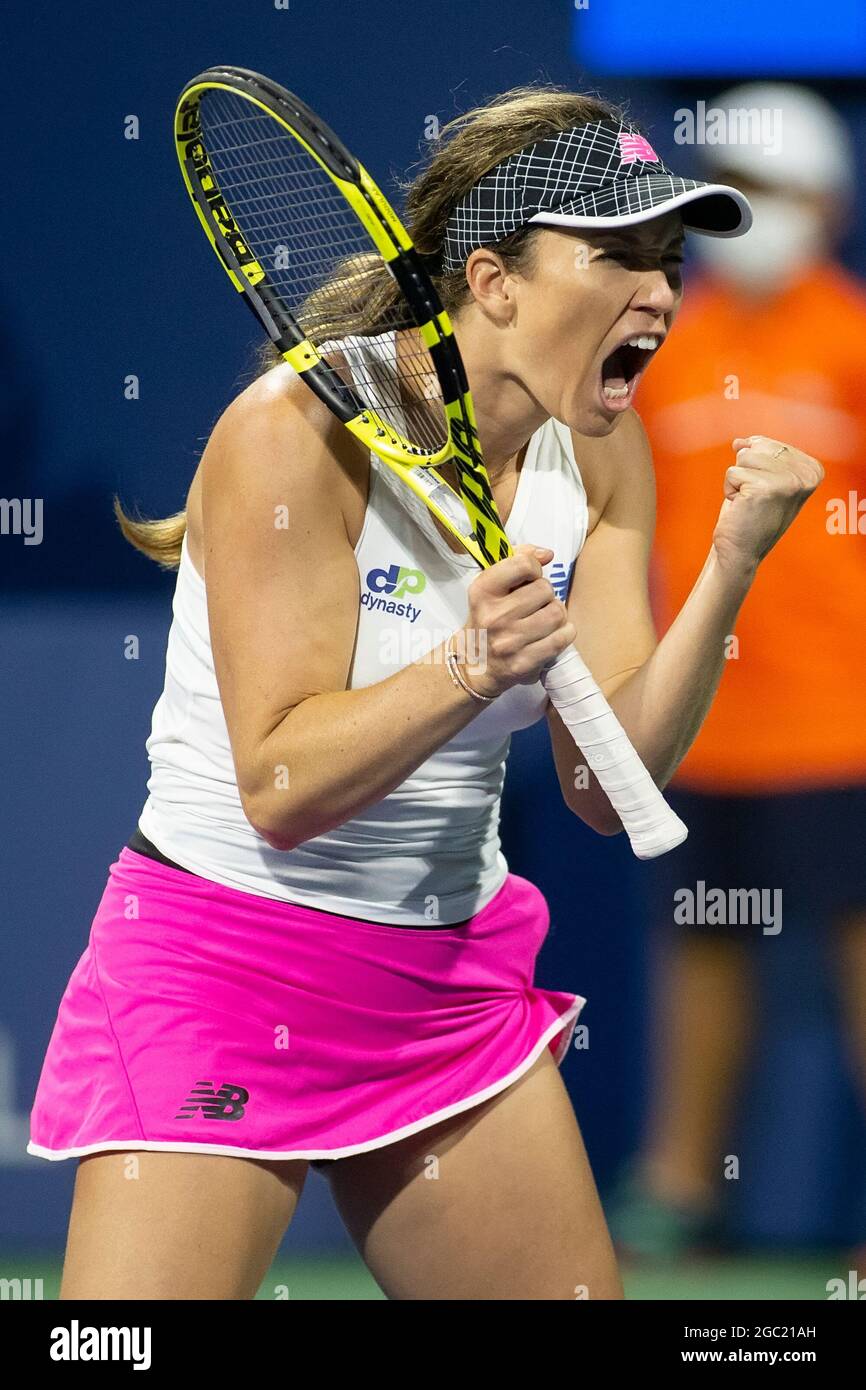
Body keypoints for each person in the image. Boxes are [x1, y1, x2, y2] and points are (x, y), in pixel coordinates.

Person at [27, 85, 822, 1301]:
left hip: (443, 981)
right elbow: (280, 787)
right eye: (614, 253)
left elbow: (603, 788)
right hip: (220, 965)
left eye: (665, 258)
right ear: (493, 282)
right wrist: (468, 667)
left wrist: (728, 563)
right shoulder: (292, 434)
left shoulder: (602, 451)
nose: (658, 291)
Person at [610, 84, 866, 1261]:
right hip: (700, 726)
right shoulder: (662, 345)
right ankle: (678, 1189)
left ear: (824, 201)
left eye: (770, 190)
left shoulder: (852, 337)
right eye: (732, 191)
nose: (749, 213)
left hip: (843, 724)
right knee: (699, 949)